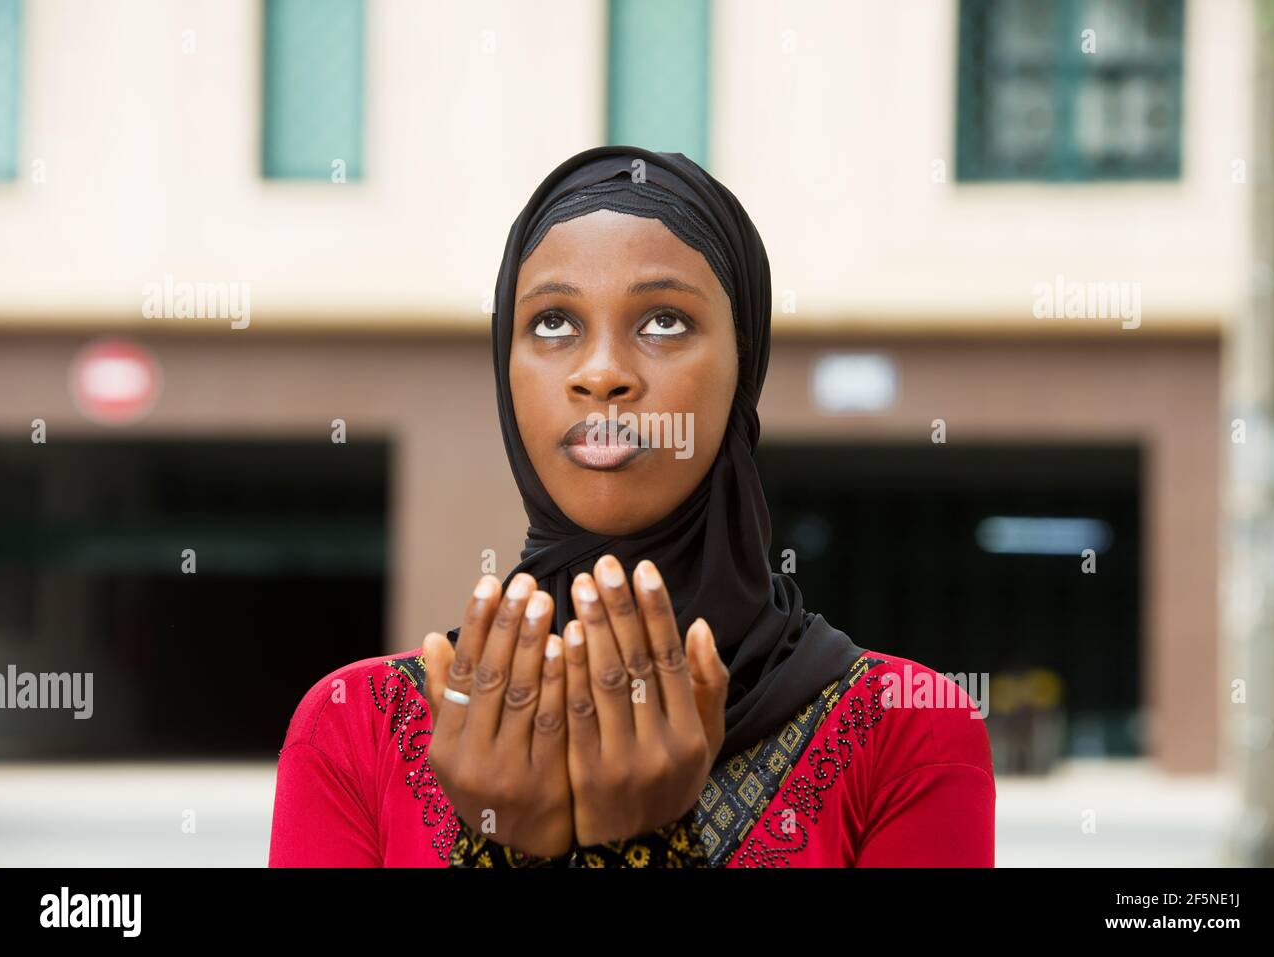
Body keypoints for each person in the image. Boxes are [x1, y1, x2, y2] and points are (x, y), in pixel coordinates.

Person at [268, 145, 995, 867]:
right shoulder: (358, 727)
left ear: (743, 367)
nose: (602, 375)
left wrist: (640, 846)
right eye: (554, 322)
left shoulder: (909, 729)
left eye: (664, 321)